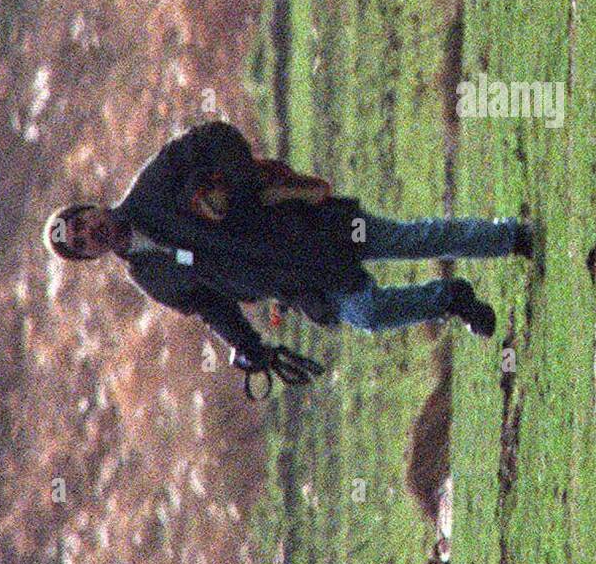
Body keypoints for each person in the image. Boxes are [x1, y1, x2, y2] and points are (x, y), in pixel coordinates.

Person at [43, 121, 532, 391]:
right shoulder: (151, 279)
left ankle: (510, 238)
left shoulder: (153, 184)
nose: (91, 232)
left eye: (83, 222)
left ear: (90, 207)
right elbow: (211, 307)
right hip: (297, 286)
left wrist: (238, 190)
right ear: (90, 257)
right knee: (368, 313)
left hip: (309, 227)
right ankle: (451, 298)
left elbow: (217, 136)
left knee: (411, 240)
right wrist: (248, 346)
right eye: (83, 242)